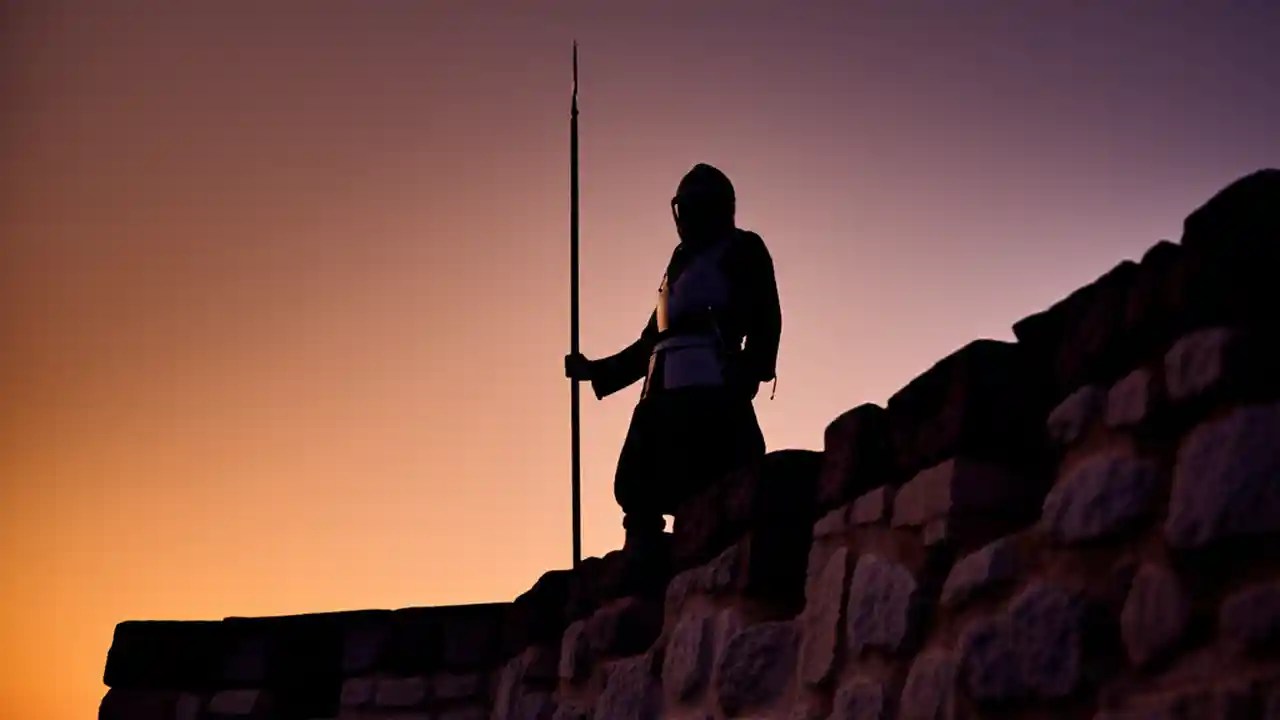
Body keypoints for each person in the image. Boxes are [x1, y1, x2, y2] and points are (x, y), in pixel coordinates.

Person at [565, 163, 781, 549]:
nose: (687, 218)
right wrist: (596, 370)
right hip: (660, 394)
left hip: (713, 388)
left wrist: (750, 372)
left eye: (696, 207)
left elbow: (767, 318)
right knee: (638, 484)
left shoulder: (742, 249)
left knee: (723, 480)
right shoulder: (678, 264)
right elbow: (651, 340)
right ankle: (643, 564)